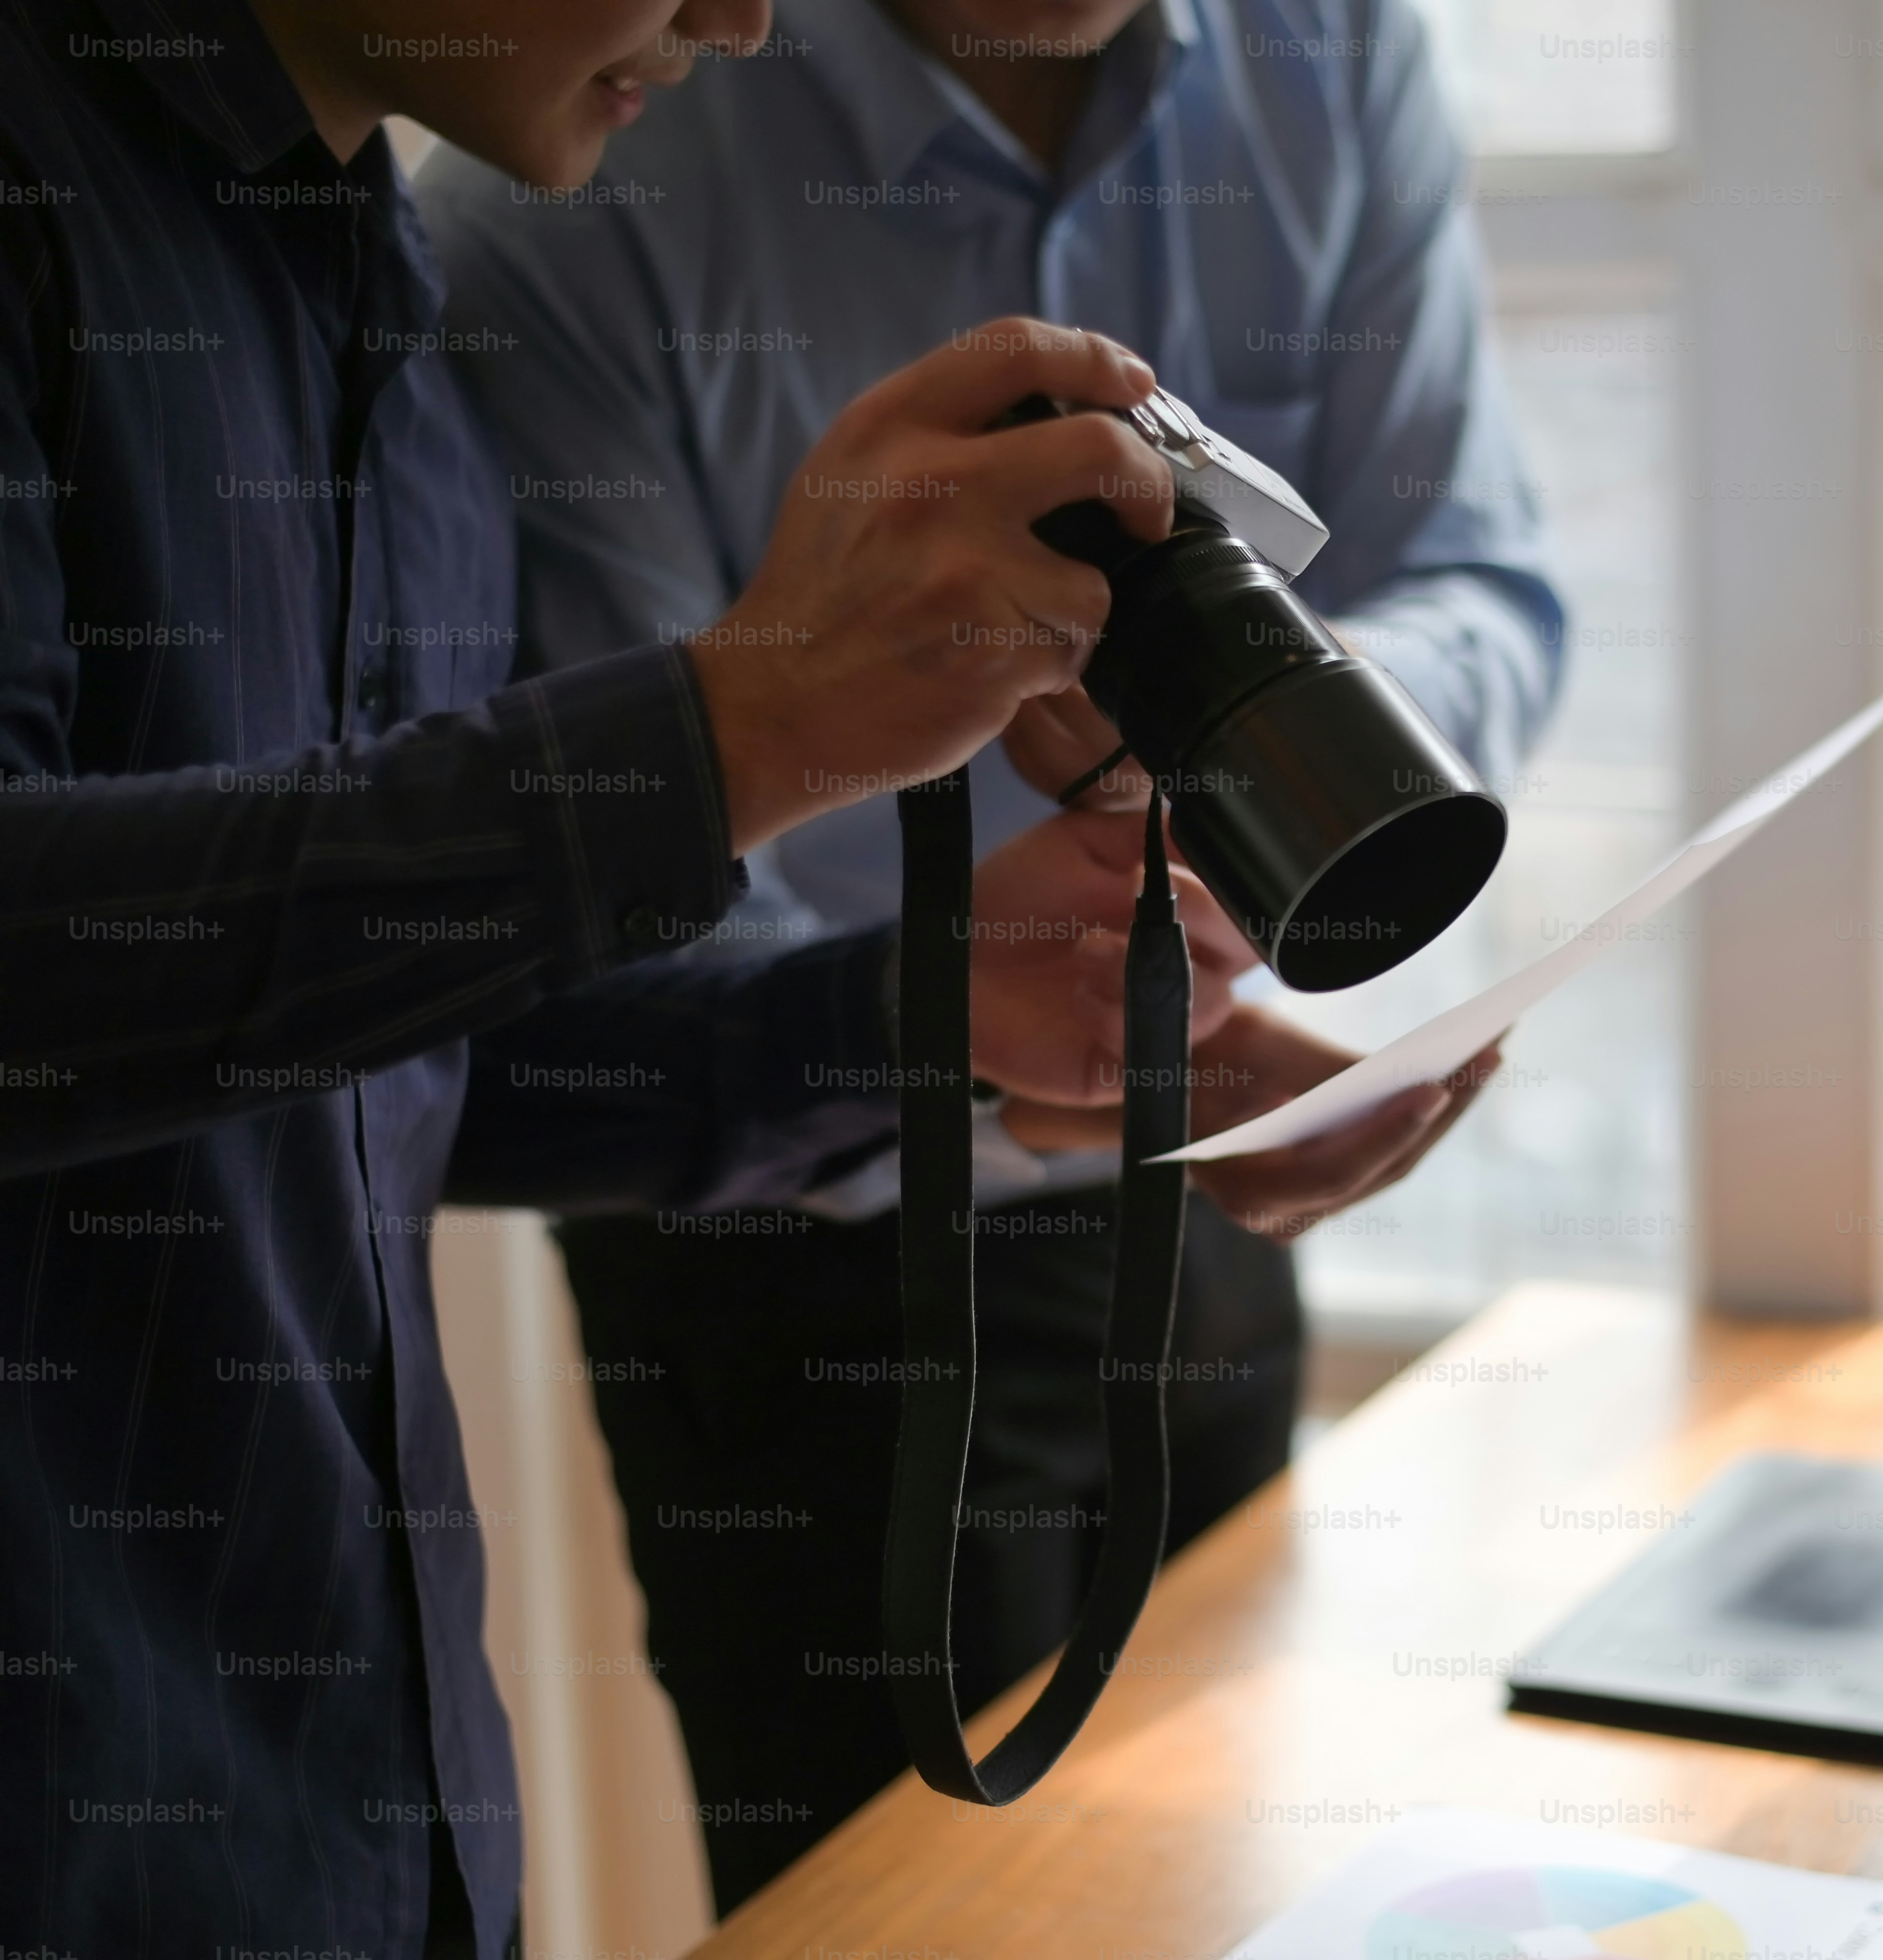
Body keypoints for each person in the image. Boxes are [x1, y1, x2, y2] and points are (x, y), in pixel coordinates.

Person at [0, 1, 1489, 1953]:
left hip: (361, 1821)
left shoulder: (385, 292)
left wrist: (929, 1017)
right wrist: (745, 726)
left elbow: (398, 1067)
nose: (746, 11)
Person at [415, 0, 1563, 1907]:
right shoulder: (580, 130)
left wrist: (1242, 783)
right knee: (906, 1925)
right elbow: (617, 886)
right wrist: (946, 1003)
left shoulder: (1331, 47)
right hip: (800, 1267)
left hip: (1194, 1169)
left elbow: (1479, 572)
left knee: (1229, 1886)